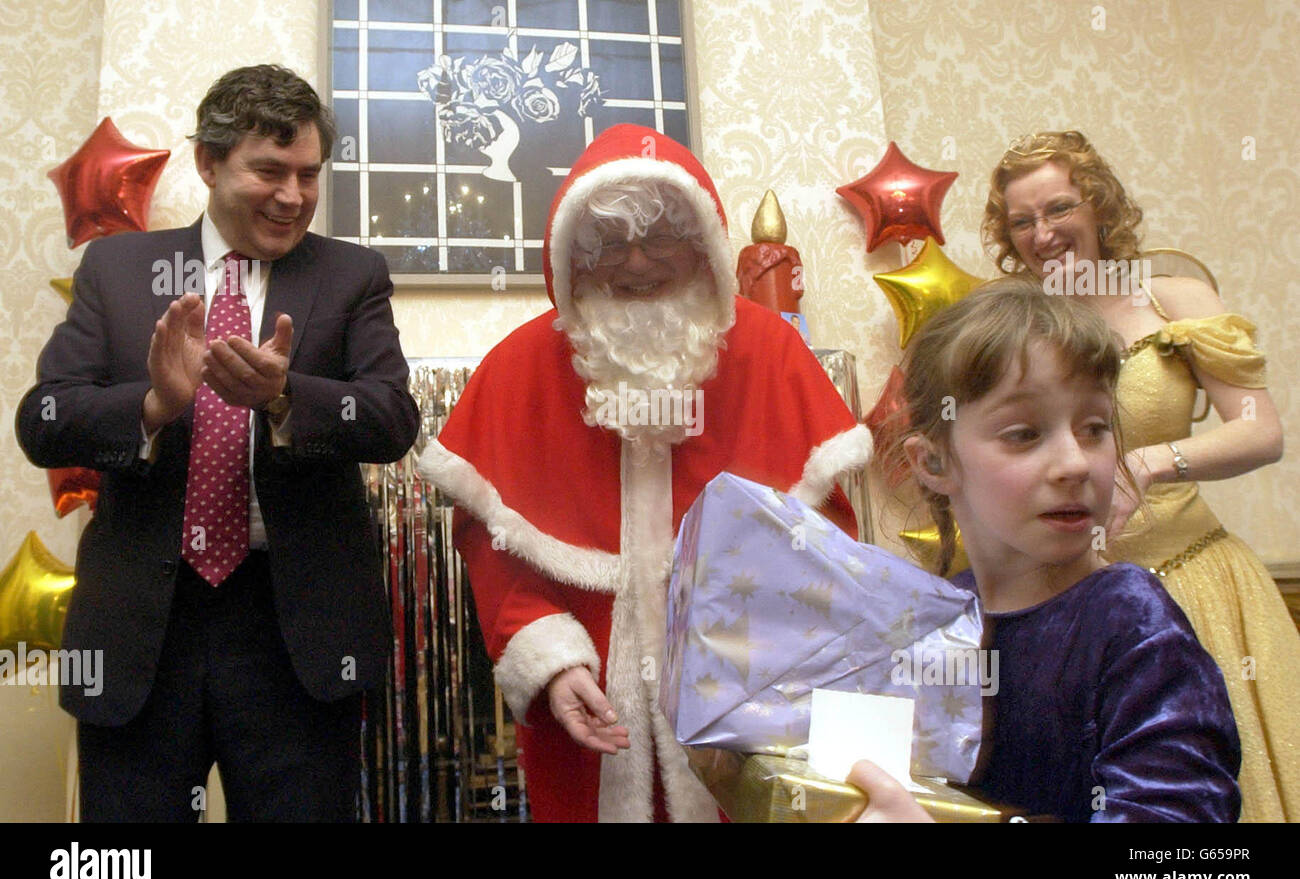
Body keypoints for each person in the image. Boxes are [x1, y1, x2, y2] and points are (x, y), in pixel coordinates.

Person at [417, 124, 872, 822]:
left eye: (659, 236)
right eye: (607, 241)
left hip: (747, 712)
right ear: (571, 253)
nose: (635, 260)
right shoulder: (519, 367)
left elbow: (827, 541)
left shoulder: (772, 353)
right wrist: (553, 662)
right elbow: (492, 547)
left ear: (702, 242)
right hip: (589, 721)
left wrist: (754, 655)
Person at [15, 64, 419, 821]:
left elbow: (394, 419)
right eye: (269, 170)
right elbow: (45, 419)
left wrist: (286, 396)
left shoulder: (351, 274)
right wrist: (152, 406)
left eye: (308, 174)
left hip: (297, 633)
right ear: (208, 162)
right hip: (142, 631)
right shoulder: (119, 267)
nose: (293, 196)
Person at [982, 130, 1300, 823]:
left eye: (1060, 208)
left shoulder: (1173, 300)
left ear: (1098, 206)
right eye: (1022, 220)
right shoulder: (1010, 328)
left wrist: (1155, 460)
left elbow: (1263, 431)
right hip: (1083, 614)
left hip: (1204, 586)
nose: (1043, 233)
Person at [853, 278, 1240, 822]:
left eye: (1095, 428)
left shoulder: (1129, 619)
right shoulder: (936, 622)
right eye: (1024, 433)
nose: (1076, 463)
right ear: (933, 463)